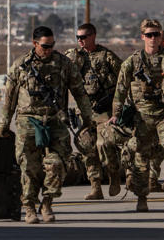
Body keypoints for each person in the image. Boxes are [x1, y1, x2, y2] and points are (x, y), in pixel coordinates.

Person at [0, 26, 94, 224]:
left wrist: (87, 118)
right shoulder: (20, 65)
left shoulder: (64, 64)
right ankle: (29, 207)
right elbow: (9, 98)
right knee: (29, 167)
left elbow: (79, 91)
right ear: (34, 44)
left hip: (55, 120)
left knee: (58, 163)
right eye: (45, 46)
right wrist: (4, 124)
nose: (49, 49)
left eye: (52, 45)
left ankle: (47, 203)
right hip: (28, 120)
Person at [109, 19, 164, 211]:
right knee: (141, 156)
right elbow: (120, 91)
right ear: (143, 37)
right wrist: (116, 114)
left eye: (156, 34)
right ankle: (142, 197)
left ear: (161, 36)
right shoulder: (132, 62)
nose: (153, 38)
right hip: (142, 115)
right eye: (149, 35)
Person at [64, 23, 122, 200]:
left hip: (104, 110)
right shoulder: (73, 57)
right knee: (86, 147)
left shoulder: (107, 56)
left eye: (84, 37)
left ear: (93, 36)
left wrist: (115, 107)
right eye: (78, 38)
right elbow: (62, 79)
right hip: (85, 110)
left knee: (105, 145)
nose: (81, 41)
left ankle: (113, 176)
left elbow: (123, 82)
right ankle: (95, 186)